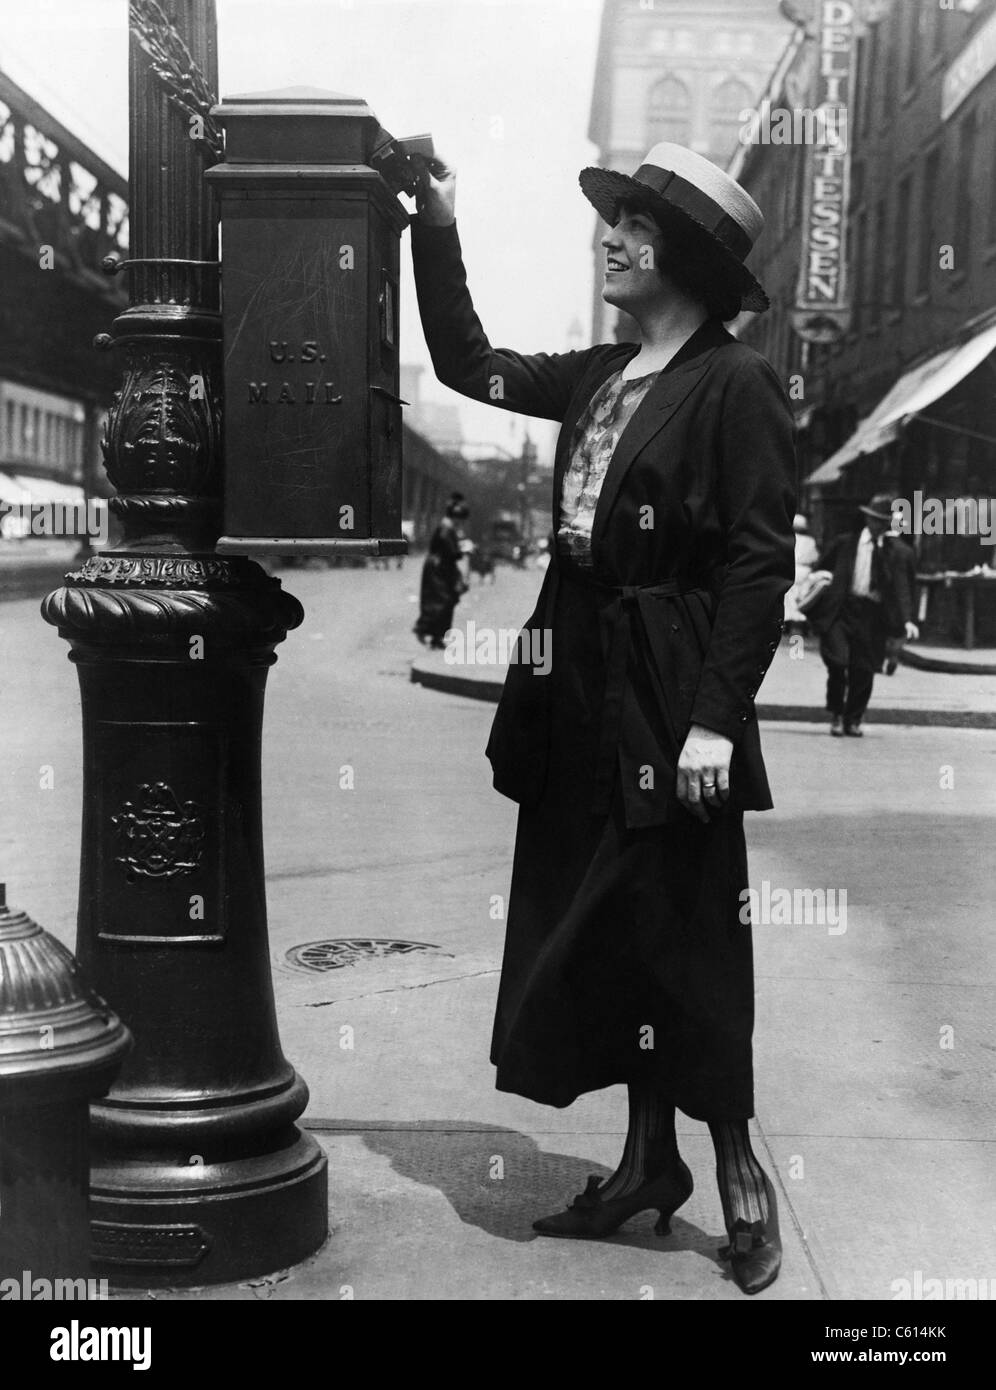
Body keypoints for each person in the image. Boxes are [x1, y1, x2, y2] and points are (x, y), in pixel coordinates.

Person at [411, 141, 795, 1294]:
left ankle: (735, 1170)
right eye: (612, 218)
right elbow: (467, 365)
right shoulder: (598, 373)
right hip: (576, 682)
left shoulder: (737, 382)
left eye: (634, 222)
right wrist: (435, 222)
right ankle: (645, 1165)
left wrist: (716, 721)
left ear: (688, 255)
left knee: (685, 933)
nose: (610, 236)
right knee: (602, 925)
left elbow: (757, 563)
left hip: (671, 689)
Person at [810, 493, 919, 736]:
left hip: (873, 616)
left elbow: (903, 587)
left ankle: (854, 718)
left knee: (864, 669)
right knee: (838, 662)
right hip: (842, 609)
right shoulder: (845, 543)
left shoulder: (896, 551)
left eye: (884, 522)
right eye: (875, 520)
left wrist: (907, 619)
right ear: (868, 520)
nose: (879, 526)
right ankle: (837, 714)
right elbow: (820, 568)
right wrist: (822, 581)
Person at [413, 493, 469, 648]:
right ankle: (426, 630)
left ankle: (436, 635)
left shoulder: (448, 526)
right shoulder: (446, 527)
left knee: (443, 600)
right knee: (441, 600)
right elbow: (449, 550)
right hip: (438, 568)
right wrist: (462, 551)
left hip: (441, 566)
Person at [783, 512, 820, 637]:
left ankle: (787, 624)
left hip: (791, 569)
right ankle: (802, 624)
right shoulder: (810, 541)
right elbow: (815, 558)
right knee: (802, 598)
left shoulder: (788, 537)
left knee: (788, 598)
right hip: (804, 572)